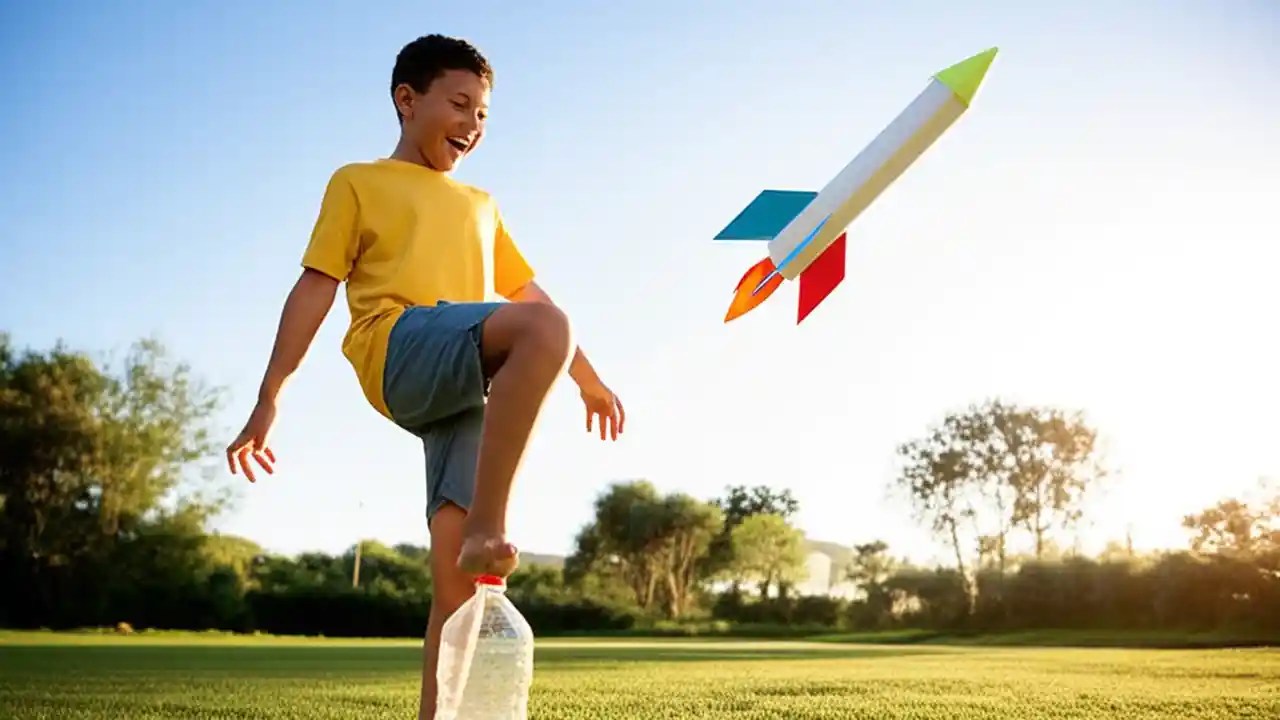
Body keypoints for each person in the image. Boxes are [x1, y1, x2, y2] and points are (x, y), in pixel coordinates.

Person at [224, 33, 624, 719]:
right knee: (545, 333)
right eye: (459, 104)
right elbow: (316, 287)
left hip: (465, 382)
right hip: (399, 346)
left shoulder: (480, 205)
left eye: (484, 115)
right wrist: (270, 400)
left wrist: (587, 377)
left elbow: (530, 295)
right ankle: (489, 525)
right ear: (407, 100)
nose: (472, 125)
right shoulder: (359, 181)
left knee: (458, 591)